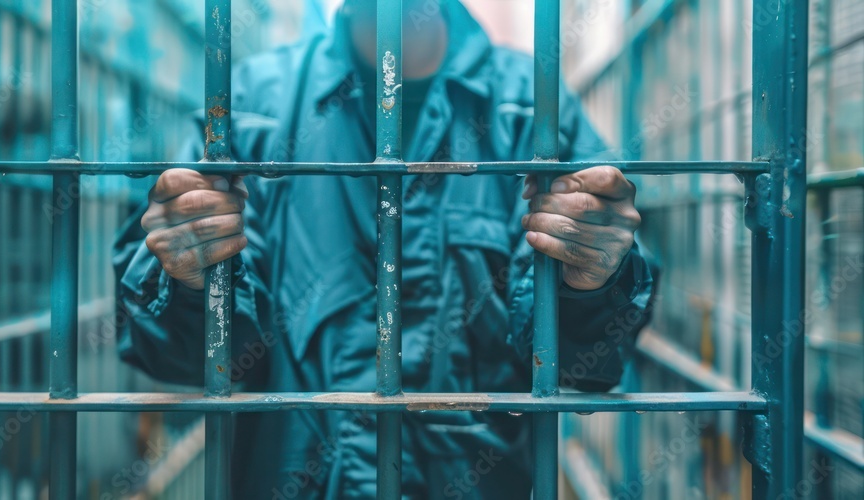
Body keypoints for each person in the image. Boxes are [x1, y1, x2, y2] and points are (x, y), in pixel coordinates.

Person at [113, 0, 656, 497]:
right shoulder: (251, 104)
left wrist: (592, 277)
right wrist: (187, 277)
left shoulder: (530, 109)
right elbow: (177, 355)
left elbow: (589, 361)